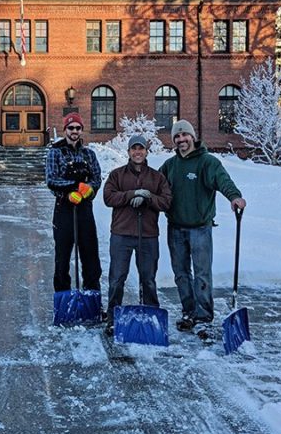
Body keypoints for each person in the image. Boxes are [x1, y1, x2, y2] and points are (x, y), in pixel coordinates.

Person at [159, 119, 246, 340]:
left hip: (200, 229)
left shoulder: (207, 162)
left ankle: (204, 315)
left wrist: (234, 196)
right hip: (175, 227)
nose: (181, 140)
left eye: (184, 135)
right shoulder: (170, 166)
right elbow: (154, 184)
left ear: (193, 136)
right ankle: (189, 311)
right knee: (181, 274)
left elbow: (223, 181)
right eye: (177, 137)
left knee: (202, 274)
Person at [102, 135, 172, 336]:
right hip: (121, 234)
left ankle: (151, 316)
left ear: (146, 151)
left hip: (148, 235)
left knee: (148, 279)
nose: (137, 152)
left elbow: (167, 202)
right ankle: (113, 317)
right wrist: (132, 194)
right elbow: (108, 197)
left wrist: (148, 198)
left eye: (141, 149)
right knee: (117, 279)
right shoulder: (117, 175)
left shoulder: (157, 177)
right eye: (134, 149)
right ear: (129, 152)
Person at [45, 112, 103, 295]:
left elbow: (96, 178)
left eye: (78, 128)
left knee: (91, 258)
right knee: (62, 259)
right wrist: (71, 190)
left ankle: (91, 299)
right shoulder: (55, 153)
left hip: (85, 210)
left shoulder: (89, 154)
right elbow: (51, 180)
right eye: (71, 128)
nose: (74, 131)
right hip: (64, 210)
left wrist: (90, 189)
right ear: (65, 130)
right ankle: (63, 301)